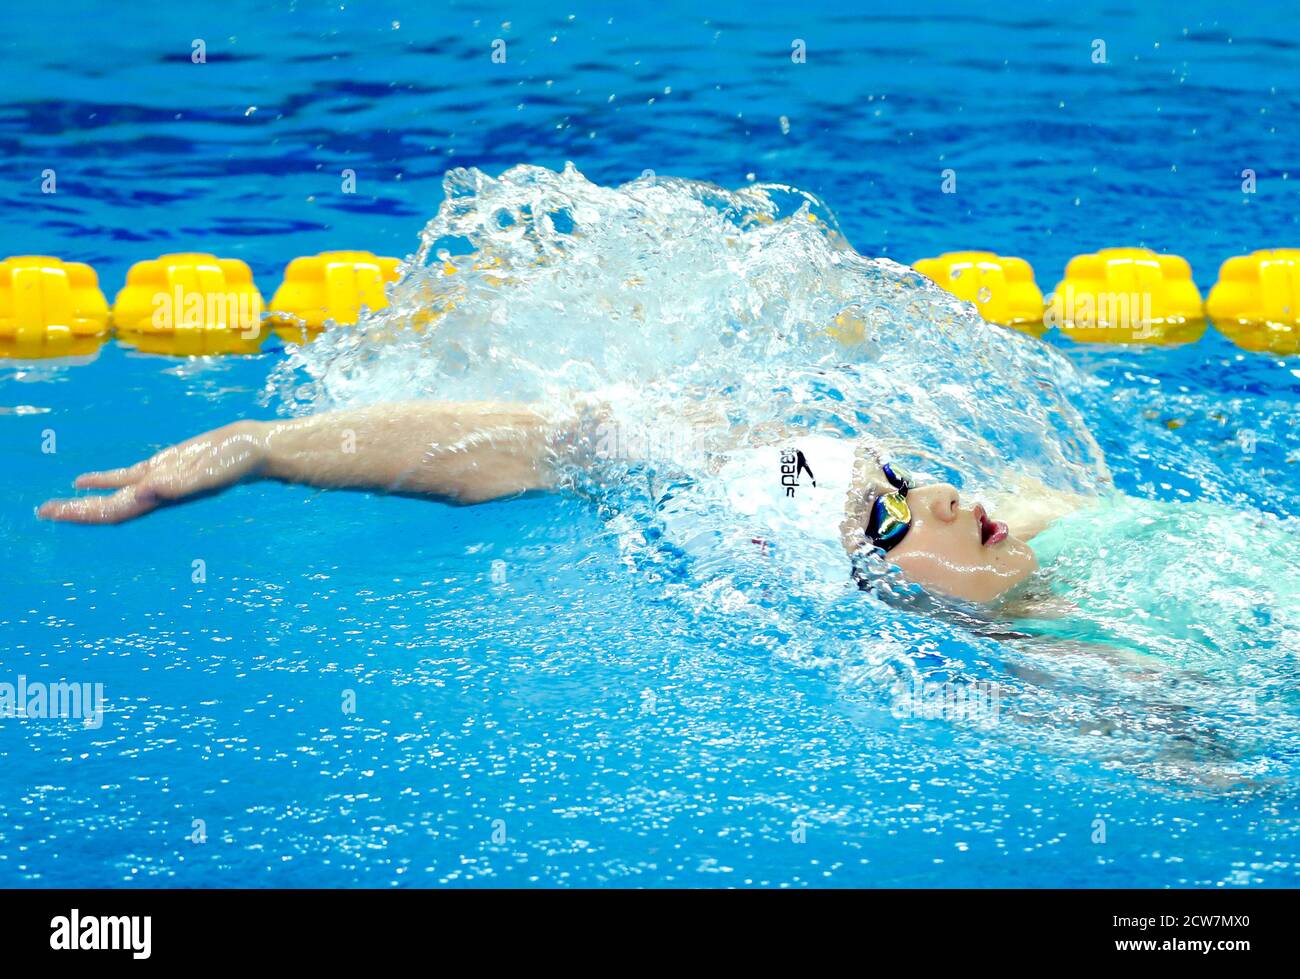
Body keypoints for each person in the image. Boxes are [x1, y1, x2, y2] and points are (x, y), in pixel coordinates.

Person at [36, 399, 1090, 606]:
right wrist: (265, 449)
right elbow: (541, 449)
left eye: (905, 485)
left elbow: (574, 440)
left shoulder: (1041, 516)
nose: (950, 492)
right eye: (892, 516)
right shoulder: (1054, 677)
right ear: (861, 593)